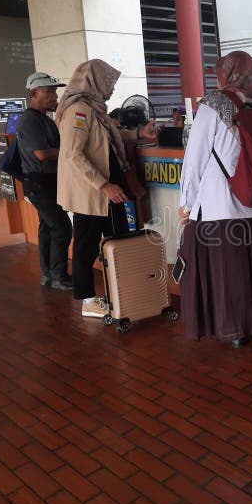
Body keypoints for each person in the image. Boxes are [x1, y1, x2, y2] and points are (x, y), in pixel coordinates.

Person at [178, 51, 252, 348]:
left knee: (226, 272)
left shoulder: (213, 105)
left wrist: (186, 202)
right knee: (249, 268)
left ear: (227, 75)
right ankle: (251, 323)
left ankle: (233, 329)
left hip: (220, 205)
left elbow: (194, 159)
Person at [55, 59, 159, 318]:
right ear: (95, 82)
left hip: (111, 190)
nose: (112, 89)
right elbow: (72, 154)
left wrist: (139, 135)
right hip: (92, 192)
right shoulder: (78, 111)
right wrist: (104, 185)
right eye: (109, 83)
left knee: (119, 240)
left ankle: (121, 293)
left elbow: (111, 138)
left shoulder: (96, 109)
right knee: (86, 247)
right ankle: (88, 301)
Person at [16, 72, 72, 290]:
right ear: (33, 94)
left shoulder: (44, 119)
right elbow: (41, 153)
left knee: (48, 227)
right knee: (62, 227)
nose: (54, 96)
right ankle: (59, 276)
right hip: (39, 183)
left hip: (46, 182)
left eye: (54, 91)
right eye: (48, 91)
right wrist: (71, 152)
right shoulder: (30, 119)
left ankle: (48, 273)